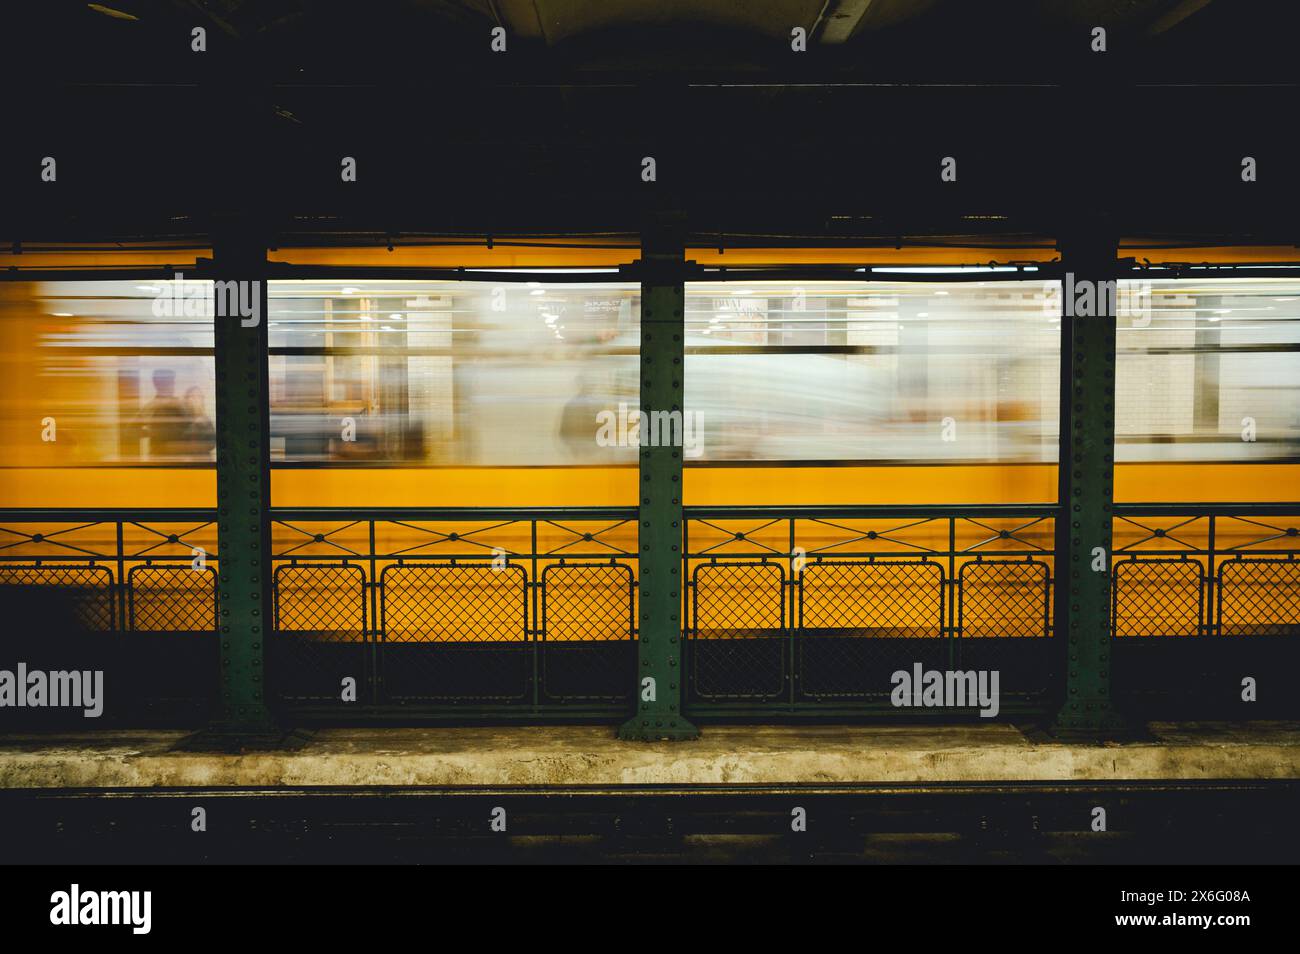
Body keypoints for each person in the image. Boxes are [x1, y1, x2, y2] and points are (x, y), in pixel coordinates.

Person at [141, 369, 188, 459]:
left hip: (176, 458)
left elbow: (188, 430)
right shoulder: (151, 406)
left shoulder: (180, 405)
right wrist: (150, 432)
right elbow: (130, 431)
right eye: (169, 382)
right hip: (157, 457)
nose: (172, 386)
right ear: (157, 385)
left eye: (172, 382)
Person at [182, 386, 215, 459]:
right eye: (193, 397)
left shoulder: (206, 420)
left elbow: (212, 444)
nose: (196, 400)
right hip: (189, 462)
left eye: (198, 396)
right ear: (187, 400)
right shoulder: (182, 419)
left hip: (205, 461)